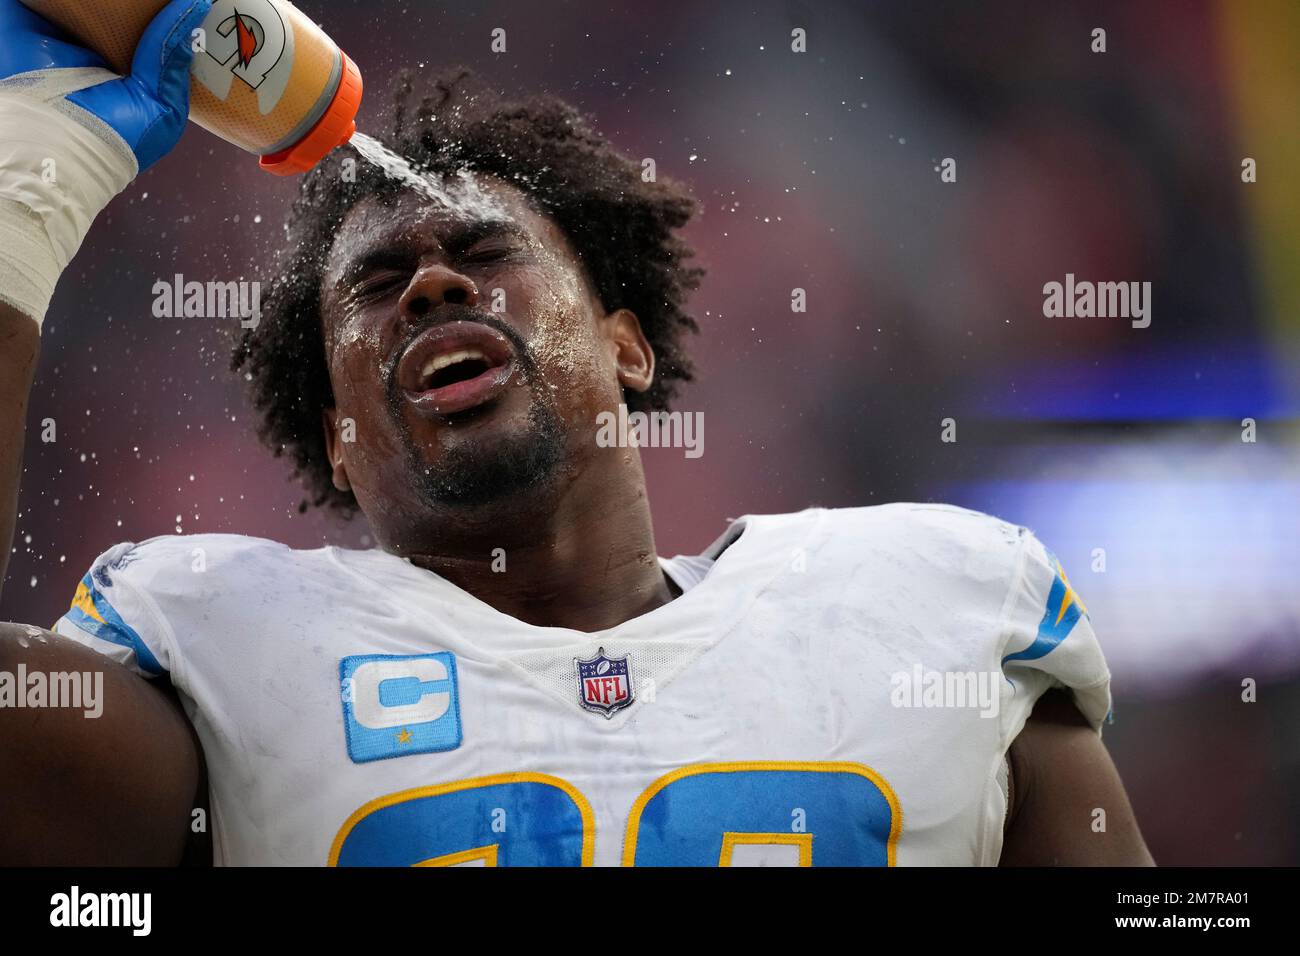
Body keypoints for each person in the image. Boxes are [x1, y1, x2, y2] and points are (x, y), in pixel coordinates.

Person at [0, 0, 1152, 866]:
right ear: (336, 436)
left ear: (627, 347)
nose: (434, 284)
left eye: (487, 252)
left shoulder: (932, 601)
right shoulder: (224, 648)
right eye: (379, 281)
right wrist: (23, 207)